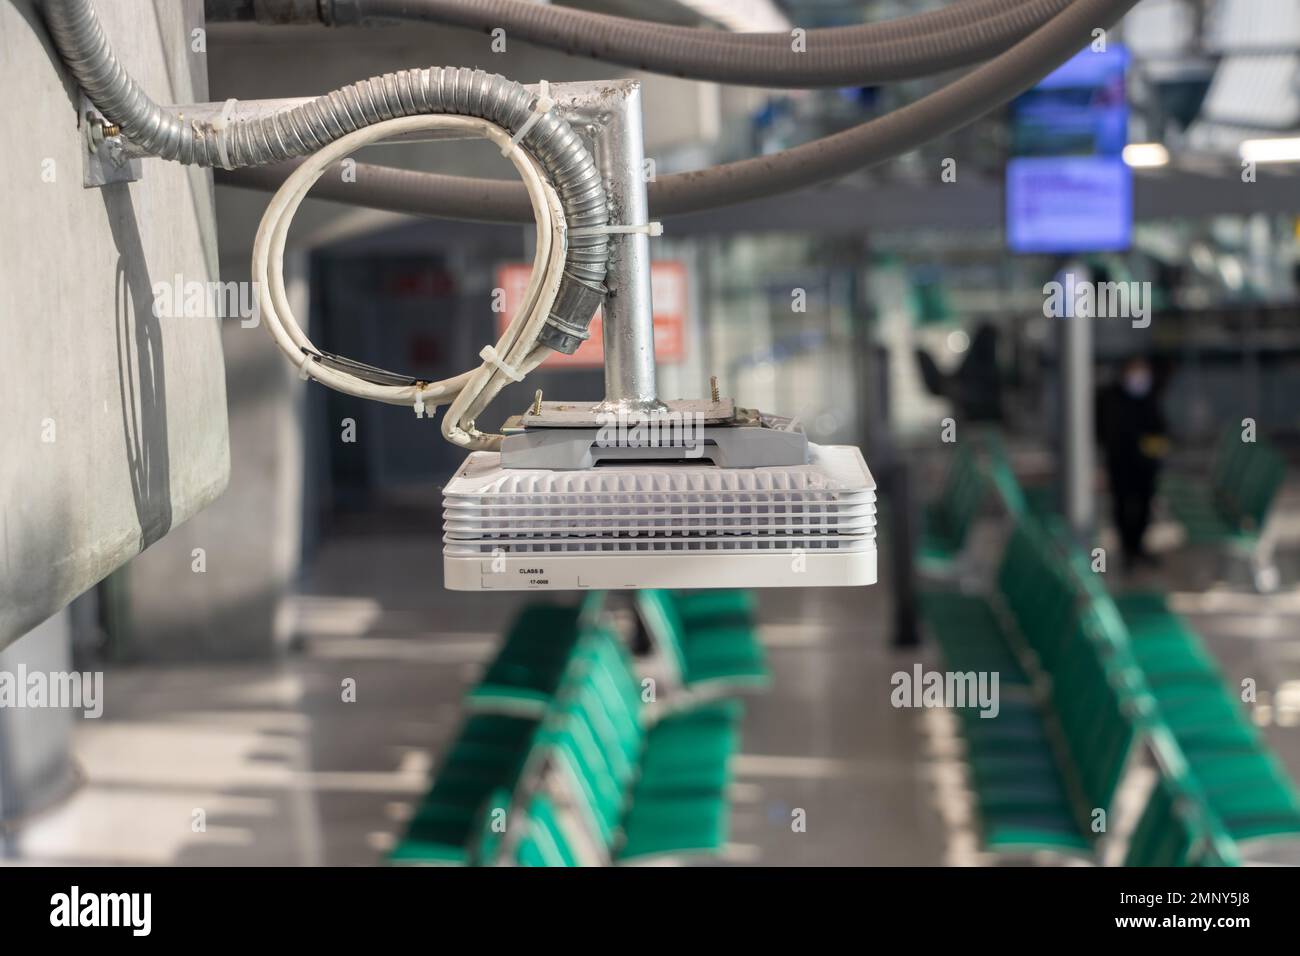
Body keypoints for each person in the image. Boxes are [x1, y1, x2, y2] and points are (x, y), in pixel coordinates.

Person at [1096, 356, 1169, 568]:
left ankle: (1138, 547)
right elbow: (1103, 428)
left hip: (1146, 464)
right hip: (1119, 461)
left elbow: (1161, 427)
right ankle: (1127, 549)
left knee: (1145, 505)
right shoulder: (1110, 397)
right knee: (1121, 505)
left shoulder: (1150, 396)